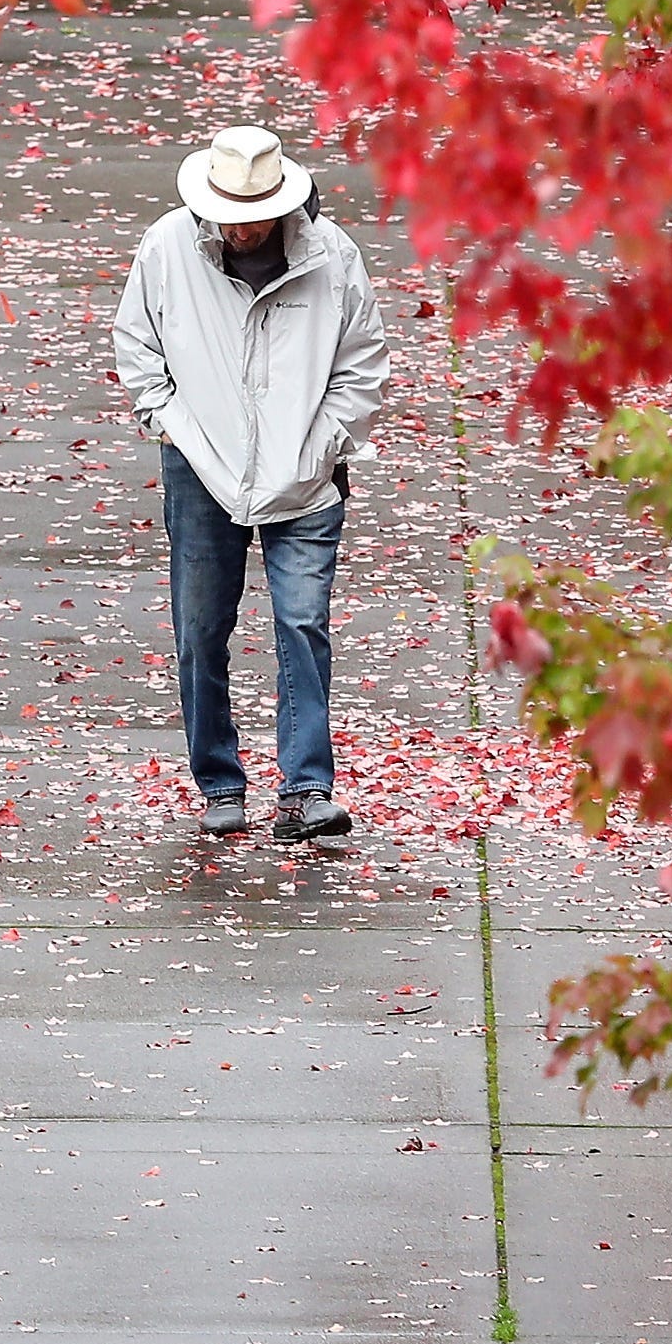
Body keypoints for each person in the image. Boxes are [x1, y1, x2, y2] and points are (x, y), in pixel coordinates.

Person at [113, 125, 389, 840]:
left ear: (282, 201)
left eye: (252, 213)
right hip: (201, 470)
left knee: (303, 623)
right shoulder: (169, 246)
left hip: (307, 476)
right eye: (226, 211)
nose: (238, 226)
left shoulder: (334, 257)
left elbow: (362, 363)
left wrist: (322, 446)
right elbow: (136, 342)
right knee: (201, 630)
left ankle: (305, 789)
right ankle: (219, 784)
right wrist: (172, 424)